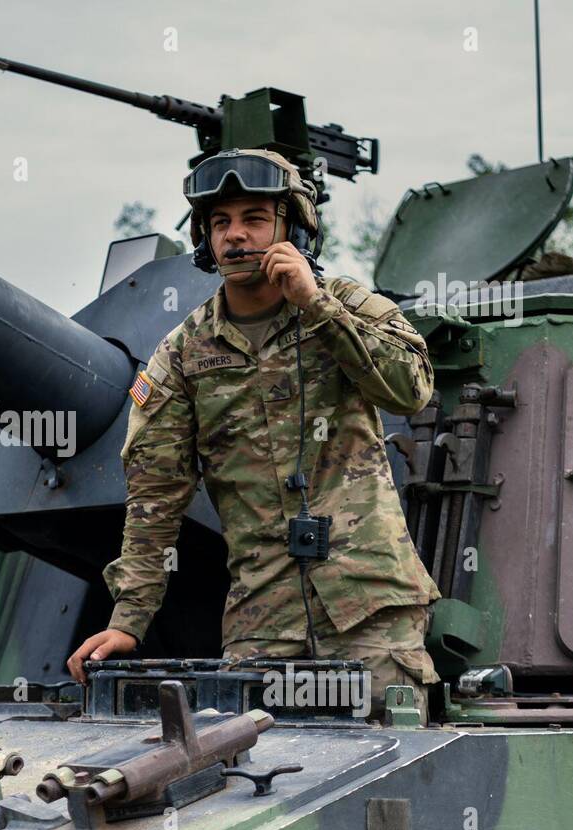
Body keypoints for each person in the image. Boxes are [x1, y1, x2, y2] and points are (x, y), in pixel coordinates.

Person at [66, 148, 442, 722]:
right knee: (259, 775)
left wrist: (315, 306)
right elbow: (154, 498)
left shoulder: (347, 307)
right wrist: (129, 621)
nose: (236, 236)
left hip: (370, 604)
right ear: (205, 239)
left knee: (390, 772)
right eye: (221, 223)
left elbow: (410, 389)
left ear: (290, 228)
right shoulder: (183, 357)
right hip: (263, 618)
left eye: (255, 219)